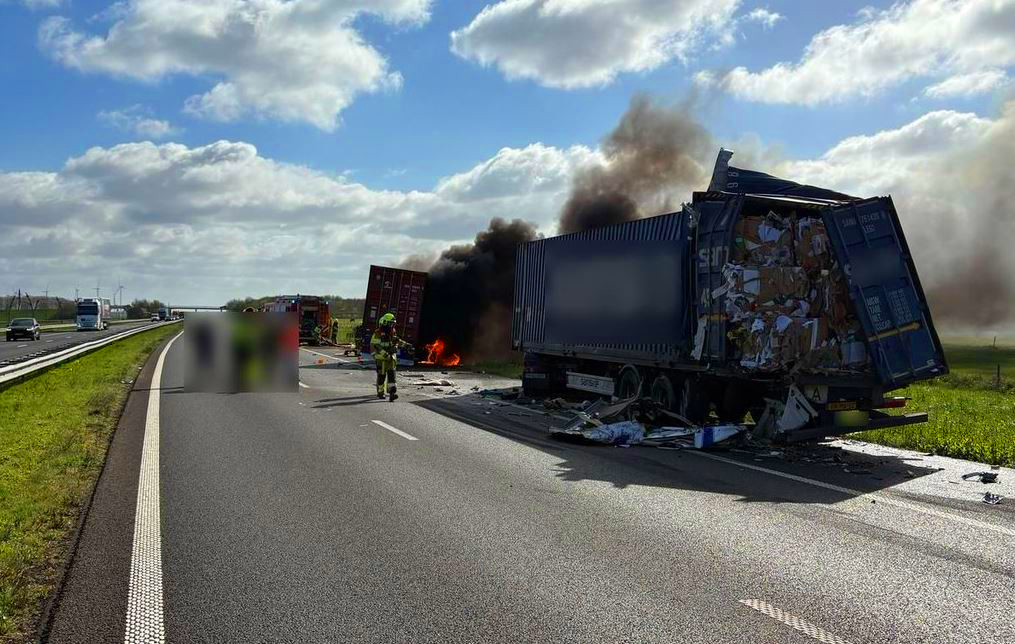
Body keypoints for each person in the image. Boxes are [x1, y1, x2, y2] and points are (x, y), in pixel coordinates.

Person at [371, 313, 408, 401]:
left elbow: (396, 340)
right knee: (382, 375)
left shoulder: (392, 331)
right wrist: (385, 353)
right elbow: (375, 346)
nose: (392, 325)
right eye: (390, 323)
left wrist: (406, 345)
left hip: (391, 358)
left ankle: (392, 393)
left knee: (392, 375)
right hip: (381, 358)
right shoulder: (378, 332)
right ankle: (380, 392)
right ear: (385, 323)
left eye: (393, 323)